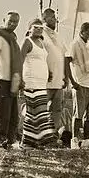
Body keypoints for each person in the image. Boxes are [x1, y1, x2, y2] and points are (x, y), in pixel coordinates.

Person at [0, 12, 22, 149]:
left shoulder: (12, 38)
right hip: (0, 79)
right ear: (4, 20)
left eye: (16, 22)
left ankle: (9, 140)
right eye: (10, 21)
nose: (13, 24)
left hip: (12, 80)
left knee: (12, 114)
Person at [20, 19, 55, 148]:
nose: (39, 29)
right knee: (34, 110)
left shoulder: (41, 42)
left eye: (41, 27)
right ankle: (27, 141)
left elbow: (42, 59)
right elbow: (20, 59)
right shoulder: (27, 41)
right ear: (30, 28)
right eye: (36, 27)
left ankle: (36, 140)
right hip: (31, 80)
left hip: (41, 82)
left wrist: (49, 71)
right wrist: (20, 79)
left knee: (40, 111)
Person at [67, 22, 89, 148]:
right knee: (78, 114)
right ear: (81, 32)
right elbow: (67, 61)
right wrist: (72, 81)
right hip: (81, 83)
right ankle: (74, 140)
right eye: (88, 34)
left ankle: (87, 140)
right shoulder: (75, 44)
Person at [40, 8, 71, 147]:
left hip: (58, 79)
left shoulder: (58, 36)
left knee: (57, 110)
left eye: (55, 17)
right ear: (44, 19)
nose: (54, 20)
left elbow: (64, 56)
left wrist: (66, 76)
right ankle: (40, 135)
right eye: (51, 17)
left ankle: (53, 136)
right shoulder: (40, 34)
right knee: (41, 108)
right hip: (45, 79)